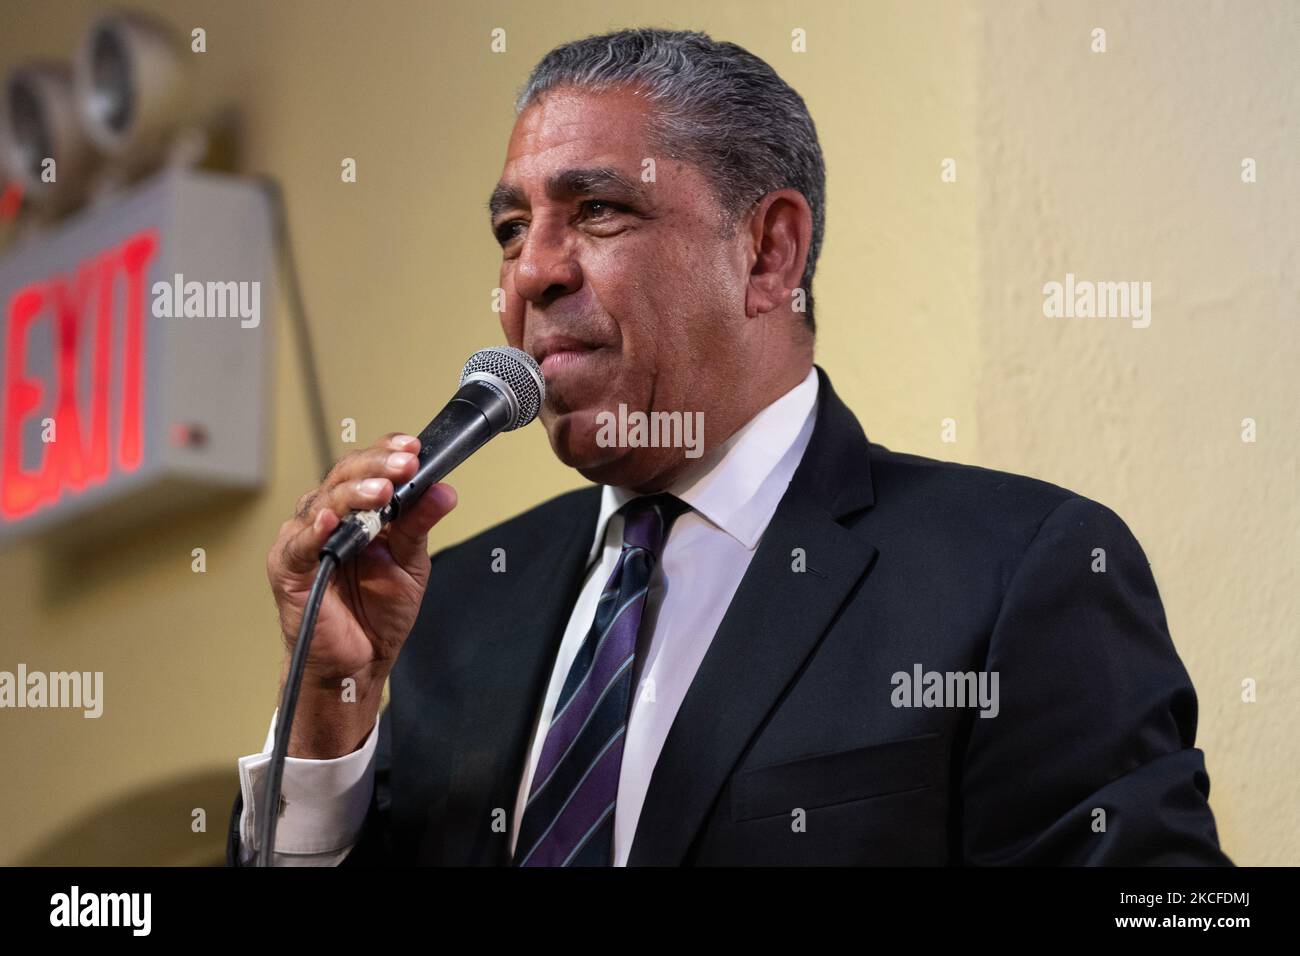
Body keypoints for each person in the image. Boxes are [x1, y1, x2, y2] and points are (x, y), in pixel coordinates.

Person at [227, 28, 1230, 866]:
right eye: (509, 225)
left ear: (767, 252)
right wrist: (328, 701)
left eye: (596, 210)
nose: (529, 271)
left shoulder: (1014, 573)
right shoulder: (455, 605)